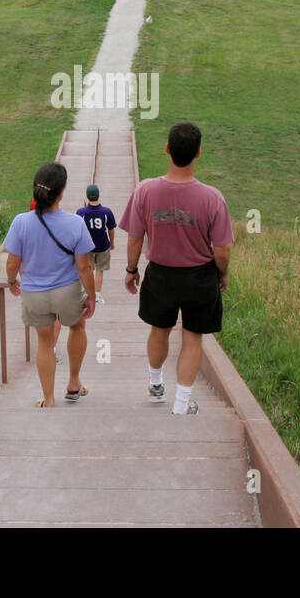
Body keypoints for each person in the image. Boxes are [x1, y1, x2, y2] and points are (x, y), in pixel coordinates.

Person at [119, 122, 233, 416]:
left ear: (167, 149)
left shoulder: (145, 190)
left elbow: (135, 238)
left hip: (160, 274)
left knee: (160, 330)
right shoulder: (213, 198)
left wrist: (132, 270)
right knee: (193, 337)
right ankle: (182, 405)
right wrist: (222, 273)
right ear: (198, 153)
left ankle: (156, 385)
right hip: (199, 276)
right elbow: (222, 249)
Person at [4, 162, 97, 408]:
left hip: (35, 293)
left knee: (45, 343)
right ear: (62, 191)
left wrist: (12, 281)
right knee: (77, 328)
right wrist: (91, 296)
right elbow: (85, 267)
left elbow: (13, 263)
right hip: (67, 291)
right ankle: (74, 384)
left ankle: (48, 398)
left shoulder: (21, 222)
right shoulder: (75, 223)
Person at [76, 185, 116, 306]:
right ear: (99, 195)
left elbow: (78, 228)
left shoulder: (81, 212)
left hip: (87, 246)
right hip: (102, 245)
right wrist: (112, 242)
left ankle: (86, 294)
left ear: (87, 197)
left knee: (87, 270)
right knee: (100, 270)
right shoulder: (106, 212)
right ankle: (97, 295)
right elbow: (111, 229)